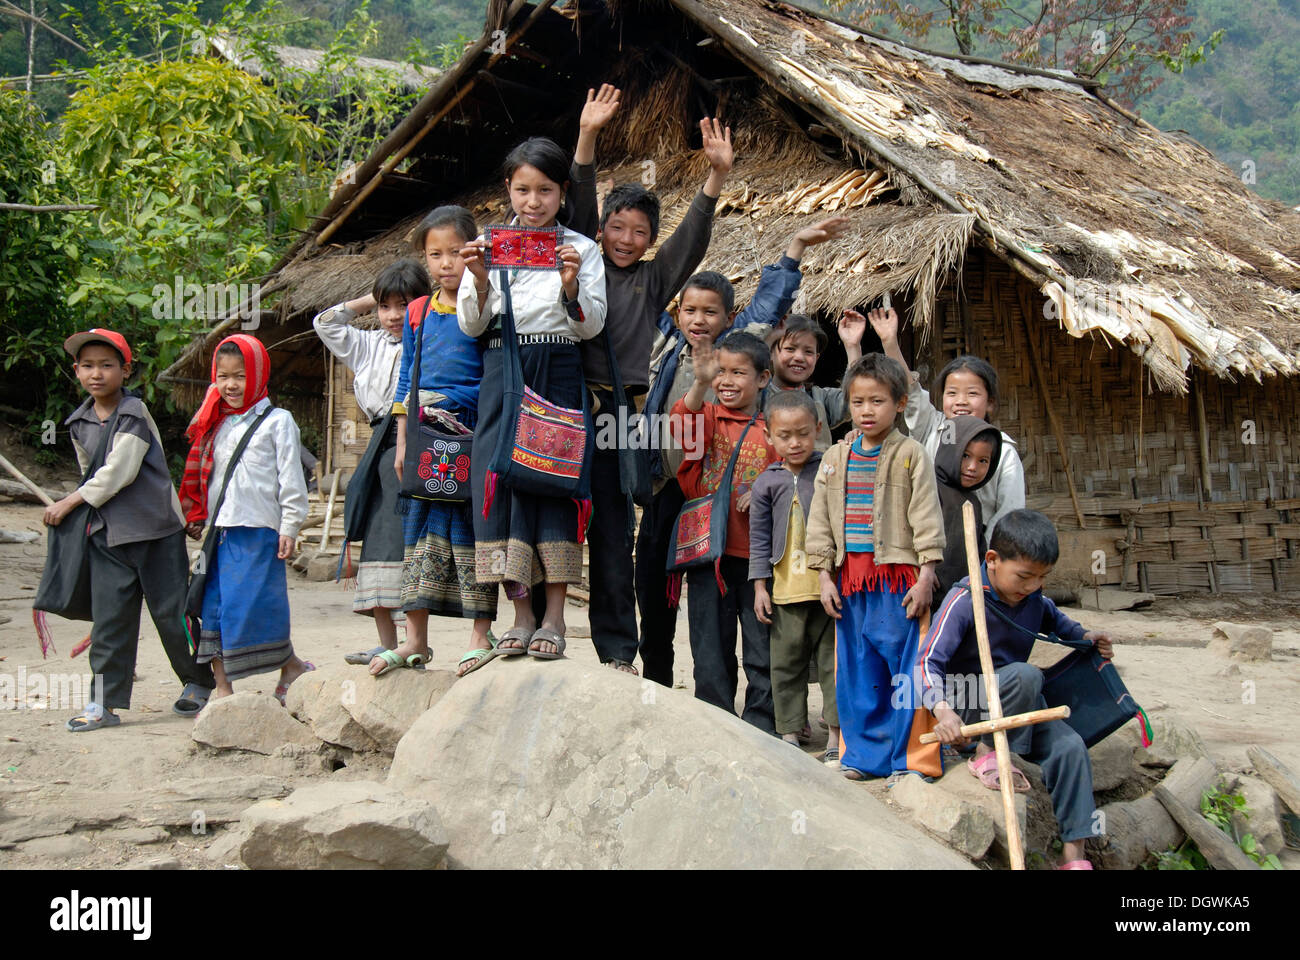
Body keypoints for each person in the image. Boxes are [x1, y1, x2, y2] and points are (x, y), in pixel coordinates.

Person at [565, 83, 734, 675]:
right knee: (554, 519)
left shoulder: (654, 281)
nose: (625, 239)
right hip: (567, 408)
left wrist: (715, 179)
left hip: (621, 418)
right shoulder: (583, 258)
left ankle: (616, 651)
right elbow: (580, 207)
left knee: (614, 533)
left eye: (639, 232)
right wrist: (588, 135)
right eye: (618, 228)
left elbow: (692, 239)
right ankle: (540, 630)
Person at [636, 216, 847, 685]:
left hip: (722, 493)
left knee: (727, 596)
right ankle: (657, 684)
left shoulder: (737, 350)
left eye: (710, 312)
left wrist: (794, 246)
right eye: (689, 310)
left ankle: (754, 706)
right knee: (655, 592)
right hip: (669, 487)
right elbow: (635, 291)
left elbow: (771, 304)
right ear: (677, 314)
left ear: (730, 320)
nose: (698, 320)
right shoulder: (665, 348)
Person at [458, 137, 607, 661]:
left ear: (563, 192)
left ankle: (556, 619)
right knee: (498, 486)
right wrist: (477, 279)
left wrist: (570, 286)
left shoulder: (582, 249)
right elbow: (471, 324)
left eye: (545, 190)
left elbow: (592, 327)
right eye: (523, 190)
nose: (533, 201)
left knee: (553, 486)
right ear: (508, 189)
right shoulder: (486, 246)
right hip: (502, 371)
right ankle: (519, 617)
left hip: (558, 369)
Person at [921, 509, 1115, 870]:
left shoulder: (1035, 602)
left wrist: (1089, 639)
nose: (1033, 586)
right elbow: (926, 663)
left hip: (1016, 713)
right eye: (1025, 577)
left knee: (1071, 747)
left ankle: (1074, 857)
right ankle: (984, 751)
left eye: (1042, 578)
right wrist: (943, 710)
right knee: (1026, 675)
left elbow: (1065, 628)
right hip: (972, 707)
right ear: (992, 560)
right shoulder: (965, 600)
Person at [42, 329, 215, 730]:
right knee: (109, 621)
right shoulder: (78, 421)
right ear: (76, 371)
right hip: (108, 536)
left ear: (125, 370)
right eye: (87, 366)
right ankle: (103, 704)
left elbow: (117, 471)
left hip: (155, 532)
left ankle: (198, 681)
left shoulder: (134, 413)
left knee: (173, 614)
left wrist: (69, 501)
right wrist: (79, 510)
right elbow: (89, 472)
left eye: (106, 365)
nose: (96, 374)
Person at [805, 353, 944, 780]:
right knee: (858, 671)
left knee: (904, 671)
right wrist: (824, 575)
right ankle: (865, 758)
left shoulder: (911, 454)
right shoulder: (833, 458)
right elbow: (820, 522)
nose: (867, 411)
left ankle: (910, 759)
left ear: (900, 403)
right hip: (850, 582)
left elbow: (926, 517)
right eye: (858, 402)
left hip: (897, 581)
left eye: (878, 401)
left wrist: (925, 577)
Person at [378, 206, 500, 678]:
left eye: (455, 252)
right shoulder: (417, 312)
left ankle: (479, 634)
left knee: (475, 531)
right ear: (425, 259)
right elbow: (408, 376)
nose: (446, 263)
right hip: (425, 434)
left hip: (472, 430)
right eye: (435, 254)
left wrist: (455, 403)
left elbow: (495, 370)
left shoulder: (488, 306)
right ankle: (416, 641)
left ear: (472, 251)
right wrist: (403, 438)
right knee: (419, 534)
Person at [180, 334, 313, 703]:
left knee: (253, 606)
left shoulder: (278, 421)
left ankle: (290, 666)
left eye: (239, 375)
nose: (231, 384)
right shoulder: (215, 422)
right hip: (219, 531)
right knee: (214, 607)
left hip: (258, 531)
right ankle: (223, 688)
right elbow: (209, 477)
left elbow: (291, 478)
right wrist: (199, 515)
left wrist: (290, 525)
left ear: (256, 373)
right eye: (222, 376)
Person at [313, 258, 429, 666]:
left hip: (424, 443)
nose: (394, 316)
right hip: (380, 445)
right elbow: (324, 322)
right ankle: (385, 639)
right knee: (379, 535)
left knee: (412, 538)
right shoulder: (367, 345)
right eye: (386, 306)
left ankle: (416, 639)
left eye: (404, 304)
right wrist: (372, 297)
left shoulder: (435, 340)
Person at [673, 331, 778, 731]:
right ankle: (715, 720)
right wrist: (700, 382)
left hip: (758, 562)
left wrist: (764, 486)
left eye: (739, 373)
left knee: (760, 646)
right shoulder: (709, 417)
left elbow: (793, 472)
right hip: (708, 556)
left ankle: (761, 722)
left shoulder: (772, 426)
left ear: (764, 379)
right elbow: (681, 426)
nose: (727, 381)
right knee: (710, 646)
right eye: (721, 372)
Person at [869, 305, 1024, 535]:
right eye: (952, 393)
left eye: (972, 394)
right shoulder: (931, 427)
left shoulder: (1004, 451)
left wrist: (988, 561)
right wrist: (890, 343)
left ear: (990, 402)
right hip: (927, 545)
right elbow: (911, 392)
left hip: (980, 551)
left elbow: (1009, 513)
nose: (961, 401)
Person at [749, 390, 839, 757]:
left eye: (803, 433)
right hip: (785, 591)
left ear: (818, 429)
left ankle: (836, 733)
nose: (795, 442)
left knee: (834, 665)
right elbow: (758, 539)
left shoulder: (830, 471)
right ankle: (789, 731)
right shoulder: (766, 483)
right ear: (769, 436)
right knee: (785, 664)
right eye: (784, 436)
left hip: (828, 588)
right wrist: (760, 588)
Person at [764, 310, 863, 451]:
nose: (799, 357)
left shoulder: (820, 398)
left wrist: (852, 347)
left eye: (808, 352)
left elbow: (856, 399)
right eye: (790, 349)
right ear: (771, 353)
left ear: (816, 358)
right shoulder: (758, 396)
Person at [931, 415, 1002, 610]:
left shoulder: (973, 503)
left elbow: (978, 554)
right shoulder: (928, 489)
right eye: (965, 456)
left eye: (983, 461)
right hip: (924, 594)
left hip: (959, 601)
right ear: (949, 451)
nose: (973, 467)